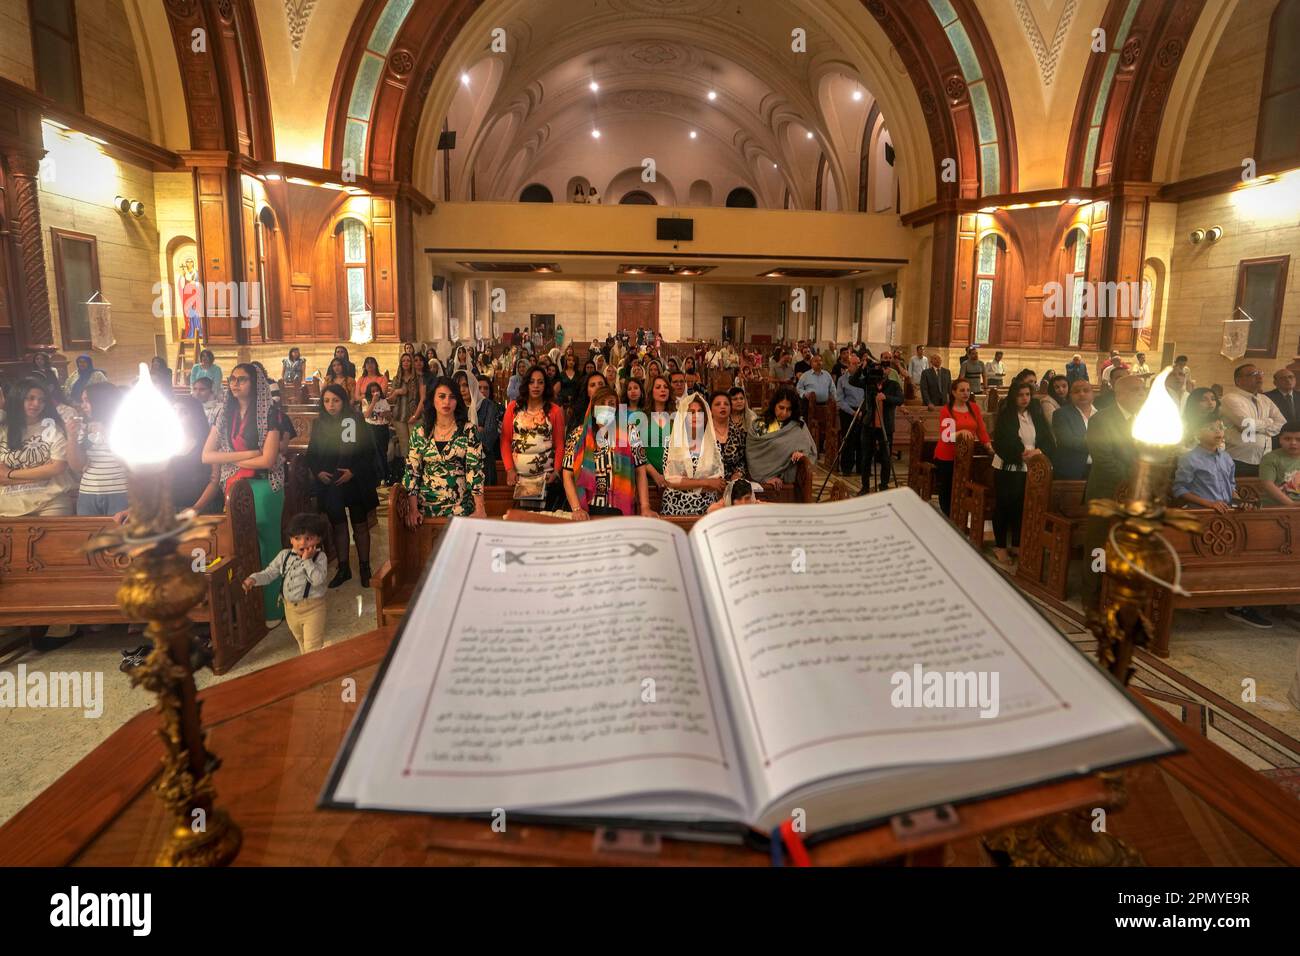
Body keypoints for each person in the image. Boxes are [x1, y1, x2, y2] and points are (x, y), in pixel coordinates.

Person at [203, 363, 285, 623]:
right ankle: (246, 608)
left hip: (265, 486)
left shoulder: (272, 413)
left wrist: (230, 459)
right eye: (233, 379)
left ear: (255, 383)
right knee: (239, 546)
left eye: (242, 379)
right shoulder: (223, 413)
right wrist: (248, 455)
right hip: (234, 487)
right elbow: (206, 455)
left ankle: (273, 608)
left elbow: (269, 461)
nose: (236, 384)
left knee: (266, 546)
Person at [307, 383, 381, 588]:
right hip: (330, 482)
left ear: (344, 401)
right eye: (327, 401)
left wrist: (353, 471)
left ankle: (365, 567)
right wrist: (317, 472)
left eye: (336, 401)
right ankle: (343, 568)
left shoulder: (354, 420)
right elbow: (312, 453)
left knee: (359, 524)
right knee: (338, 524)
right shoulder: (320, 424)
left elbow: (368, 451)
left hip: (353, 480)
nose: (331, 405)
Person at [1081, 374, 1145, 609]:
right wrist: (1132, 481)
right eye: (1136, 390)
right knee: (1099, 546)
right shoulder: (1102, 420)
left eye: (1143, 390)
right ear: (1121, 394)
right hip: (1106, 493)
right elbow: (1104, 458)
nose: (1142, 395)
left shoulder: (1147, 419)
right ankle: (1092, 596)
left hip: (1137, 496)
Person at [243, 513, 330, 654]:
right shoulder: (284, 555)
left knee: (312, 648)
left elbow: (318, 580)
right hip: (290, 610)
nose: (302, 543)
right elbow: (270, 573)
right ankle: (311, 668)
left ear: (318, 539)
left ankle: (315, 671)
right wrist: (254, 579)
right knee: (301, 642)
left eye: (308, 538)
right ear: (291, 540)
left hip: (313, 608)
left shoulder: (320, 557)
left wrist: (307, 560)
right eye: (297, 538)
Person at [402, 376, 486, 522]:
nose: (447, 402)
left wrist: (480, 509)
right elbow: (412, 473)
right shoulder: (420, 432)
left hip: (460, 509)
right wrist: (413, 510)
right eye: (441, 396)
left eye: (452, 397)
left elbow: (474, 471)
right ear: (433, 400)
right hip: (426, 510)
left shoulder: (468, 431)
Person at [990, 381, 1055, 566]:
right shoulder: (1006, 415)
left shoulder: (1035, 414)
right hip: (1008, 466)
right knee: (1004, 505)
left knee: (1021, 507)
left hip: (1032, 467)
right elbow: (1002, 441)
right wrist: (1020, 454)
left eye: (1027, 394)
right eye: (1020, 395)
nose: (1024, 398)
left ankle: (1018, 543)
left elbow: (1047, 439)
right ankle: (1001, 546)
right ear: (1013, 396)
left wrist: (1039, 451)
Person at [563, 386, 652, 518]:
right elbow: (567, 475)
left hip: (621, 509)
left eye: (611, 404)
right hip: (587, 509)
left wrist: (645, 507)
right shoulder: (578, 435)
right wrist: (576, 508)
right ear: (593, 410)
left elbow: (640, 471)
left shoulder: (630, 431)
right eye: (601, 403)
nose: (607, 408)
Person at [0, 377, 73, 516]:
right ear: (18, 399)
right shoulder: (3, 429)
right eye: (30, 398)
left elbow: (58, 467)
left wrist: (10, 474)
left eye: (42, 400)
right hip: (7, 504)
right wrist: (40, 475)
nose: (36, 404)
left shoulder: (51, 427)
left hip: (50, 501)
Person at [501, 365, 566, 510]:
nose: (536, 386)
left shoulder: (554, 410)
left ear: (545, 385)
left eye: (540, 382)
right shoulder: (513, 407)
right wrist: (509, 469)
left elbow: (560, 444)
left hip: (546, 478)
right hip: (518, 478)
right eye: (532, 382)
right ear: (526, 384)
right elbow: (505, 441)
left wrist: (556, 471)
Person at [658, 393, 727, 516]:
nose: (696, 416)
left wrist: (686, 482)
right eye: (691, 412)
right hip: (675, 506)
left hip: (707, 508)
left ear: (706, 417)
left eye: (700, 412)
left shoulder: (713, 444)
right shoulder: (672, 443)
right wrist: (706, 482)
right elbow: (670, 480)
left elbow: (718, 482)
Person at [66, 383, 128, 516]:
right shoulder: (84, 427)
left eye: (87, 401)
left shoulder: (126, 426)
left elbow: (129, 464)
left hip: (121, 492)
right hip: (88, 492)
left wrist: (106, 433)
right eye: (82, 401)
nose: (82, 406)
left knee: (121, 535)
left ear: (102, 401)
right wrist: (72, 436)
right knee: (89, 536)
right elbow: (76, 466)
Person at [933, 378, 992, 515]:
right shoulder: (947, 410)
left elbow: (981, 430)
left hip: (965, 455)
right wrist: (961, 432)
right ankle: (948, 516)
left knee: (962, 487)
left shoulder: (974, 408)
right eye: (962, 390)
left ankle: (959, 515)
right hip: (947, 456)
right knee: (947, 489)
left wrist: (988, 445)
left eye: (967, 390)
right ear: (954, 392)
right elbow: (946, 436)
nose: (966, 393)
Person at [746, 385, 817, 493]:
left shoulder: (798, 425)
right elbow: (753, 453)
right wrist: (766, 478)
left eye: (789, 409)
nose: (784, 413)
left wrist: (801, 454)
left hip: (789, 479)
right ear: (774, 405)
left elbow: (809, 451)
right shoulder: (760, 425)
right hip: (761, 478)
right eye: (781, 407)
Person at [1221, 363, 1285, 477]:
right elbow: (1246, 424)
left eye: (1260, 373)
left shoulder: (1265, 399)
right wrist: (1269, 421)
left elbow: (1281, 423)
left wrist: (1256, 427)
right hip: (1240, 459)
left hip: (1266, 458)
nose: (1259, 377)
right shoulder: (1230, 398)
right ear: (1239, 380)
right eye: (1253, 374)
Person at [852, 360, 903, 492]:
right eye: (880, 369)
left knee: (886, 458)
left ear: (889, 371)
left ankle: (884, 486)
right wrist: (861, 368)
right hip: (869, 425)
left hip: (885, 426)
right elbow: (852, 381)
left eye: (885, 369)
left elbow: (900, 399)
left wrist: (886, 397)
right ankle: (865, 487)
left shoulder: (893, 385)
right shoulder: (869, 383)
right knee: (866, 457)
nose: (882, 371)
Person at [167, 396, 223, 516]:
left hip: (204, 509)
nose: (177, 416)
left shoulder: (208, 442)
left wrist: (196, 508)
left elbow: (214, 481)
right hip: (172, 509)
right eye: (174, 411)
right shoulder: (166, 443)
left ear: (196, 416)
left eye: (183, 412)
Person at [1051, 379, 1097, 480]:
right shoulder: (1061, 414)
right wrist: (1100, 444)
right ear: (1071, 395)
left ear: (1093, 393)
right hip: (1073, 471)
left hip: (1101, 469)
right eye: (1076, 391)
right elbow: (1068, 441)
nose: (1081, 394)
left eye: (1086, 390)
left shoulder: (1102, 414)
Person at [643, 374, 676, 491]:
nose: (663, 389)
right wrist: (654, 474)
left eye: (665, 387)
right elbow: (637, 451)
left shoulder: (676, 417)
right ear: (651, 391)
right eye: (658, 387)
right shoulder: (642, 418)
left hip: (673, 478)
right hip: (647, 479)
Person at [388, 352, 420, 466]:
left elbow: (421, 398)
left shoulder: (417, 378)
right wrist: (397, 392)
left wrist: (416, 415)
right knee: (404, 445)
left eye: (408, 360)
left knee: (415, 444)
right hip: (399, 415)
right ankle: (407, 469)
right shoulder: (397, 379)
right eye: (403, 361)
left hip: (414, 415)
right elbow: (390, 400)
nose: (406, 363)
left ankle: (417, 467)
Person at [1259, 421, 1300, 508]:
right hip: (1276, 508)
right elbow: (1267, 484)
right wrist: (1292, 504)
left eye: (1298, 439)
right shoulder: (1270, 458)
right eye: (1288, 439)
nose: (1293, 443)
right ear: (1280, 440)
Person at [835, 352, 864, 475]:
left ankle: (861, 468)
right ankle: (847, 468)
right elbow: (840, 400)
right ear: (848, 365)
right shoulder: (842, 380)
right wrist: (853, 412)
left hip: (862, 411)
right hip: (848, 412)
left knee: (862, 441)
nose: (856, 366)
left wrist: (862, 411)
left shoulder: (864, 379)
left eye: (858, 364)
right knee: (848, 440)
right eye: (853, 364)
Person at [710, 390, 747, 481]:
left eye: (726, 404)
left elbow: (743, 461)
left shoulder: (739, 433)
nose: (722, 406)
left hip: (732, 484)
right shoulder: (703, 432)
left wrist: (739, 473)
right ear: (710, 409)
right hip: (708, 484)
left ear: (730, 408)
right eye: (718, 404)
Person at [362, 381, 393, 483]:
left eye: (377, 390)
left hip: (383, 428)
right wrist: (373, 402)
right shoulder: (365, 401)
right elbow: (366, 415)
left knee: (382, 451)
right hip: (371, 428)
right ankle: (380, 475)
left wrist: (386, 414)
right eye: (372, 391)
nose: (375, 393)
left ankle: (384, 475)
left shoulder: (384, 401)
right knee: (375, 451)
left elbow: (390, 416)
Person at [1266, 368, 1298, 448]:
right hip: (1276, 441)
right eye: (1283, 378)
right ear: (1275, 382)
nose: (1288, 380)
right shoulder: (1266, 397)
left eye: (1291, 377)